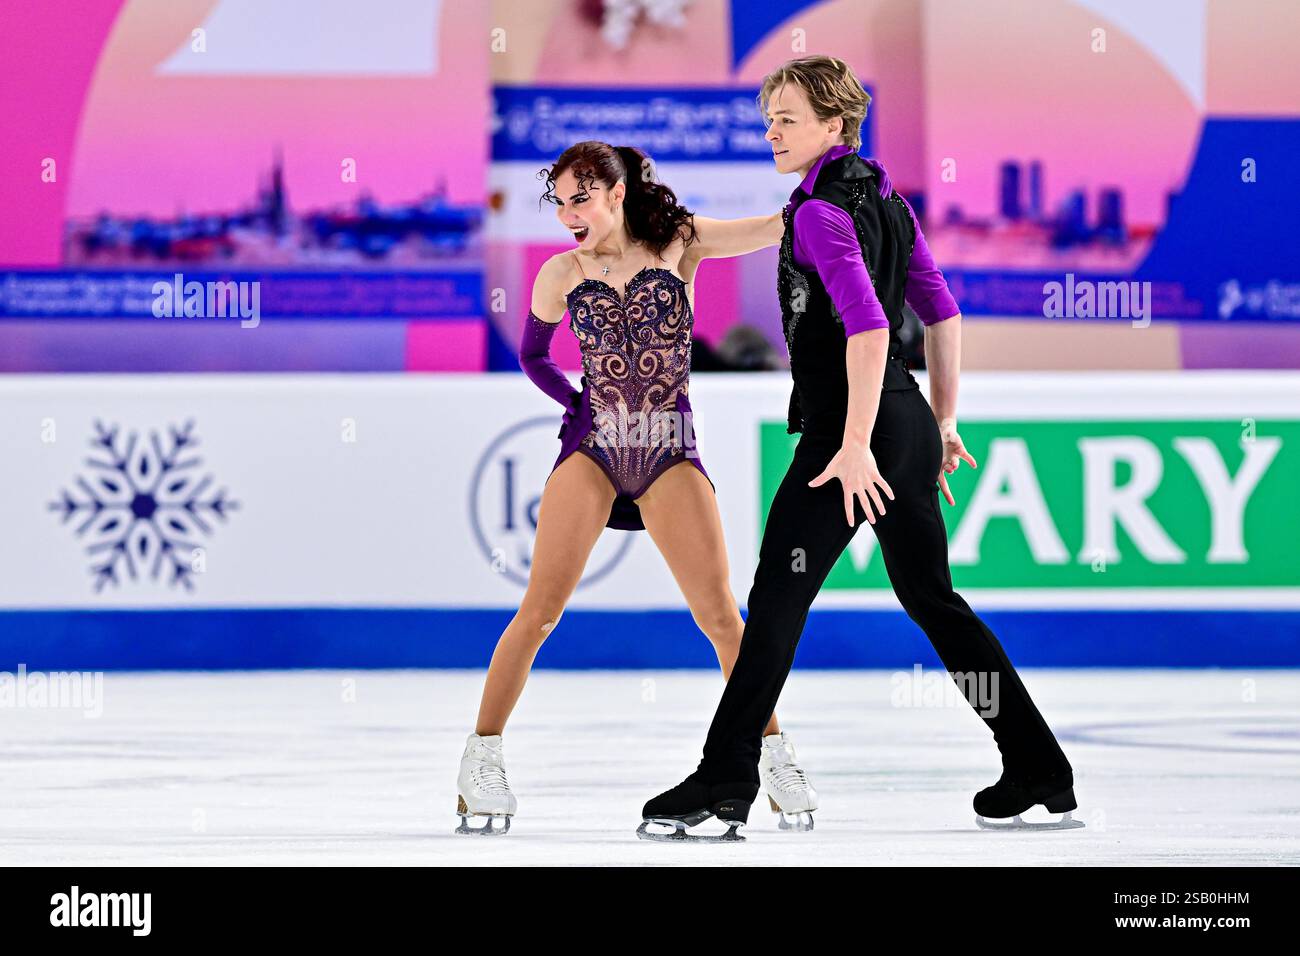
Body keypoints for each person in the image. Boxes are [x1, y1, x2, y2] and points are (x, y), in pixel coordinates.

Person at [639, 57, 1080, 842]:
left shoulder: (815, 215)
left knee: (778, 599)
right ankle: (1037, 762)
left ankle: (727, 773)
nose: (772, 130)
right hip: (903, 423)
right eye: (769, 116)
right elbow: (942, 313)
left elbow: (874, 325)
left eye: (788, 118)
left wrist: (849, 447)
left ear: (833, 126)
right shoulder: (882, 195)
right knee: (933, 600)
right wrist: (942, 424)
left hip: (854, 437)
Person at [456, 141, 819, 835]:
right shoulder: (559, 273)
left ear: (616, 194)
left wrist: (823, 195)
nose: (569, 214)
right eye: (560, 202)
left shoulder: (680, 242)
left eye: (581, 198)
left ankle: (772, 752)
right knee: (539, 611)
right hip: (594, 448)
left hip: (668, 449)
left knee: (720, 617)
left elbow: (774, 227)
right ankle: (481, 759)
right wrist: (573, 403)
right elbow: (534, 354)